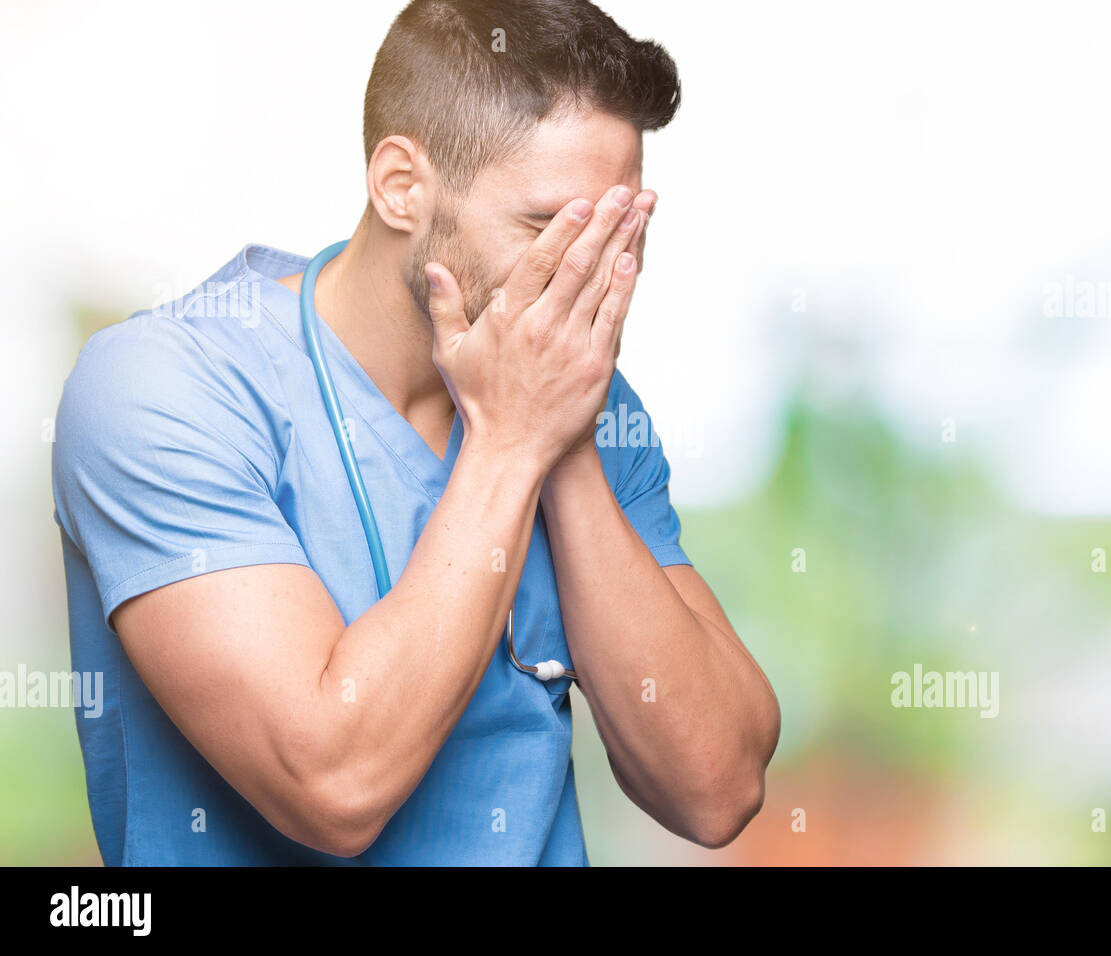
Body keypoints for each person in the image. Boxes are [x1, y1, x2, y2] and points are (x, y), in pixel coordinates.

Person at [51, 0, 780, 866]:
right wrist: (512, 444)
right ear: (401, 185)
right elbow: (334, 786)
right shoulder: (162, 386)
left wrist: (565, 443)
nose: (587, 277)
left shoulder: (588, 405)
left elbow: (716, 787)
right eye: (549, 230)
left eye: (618, 234)